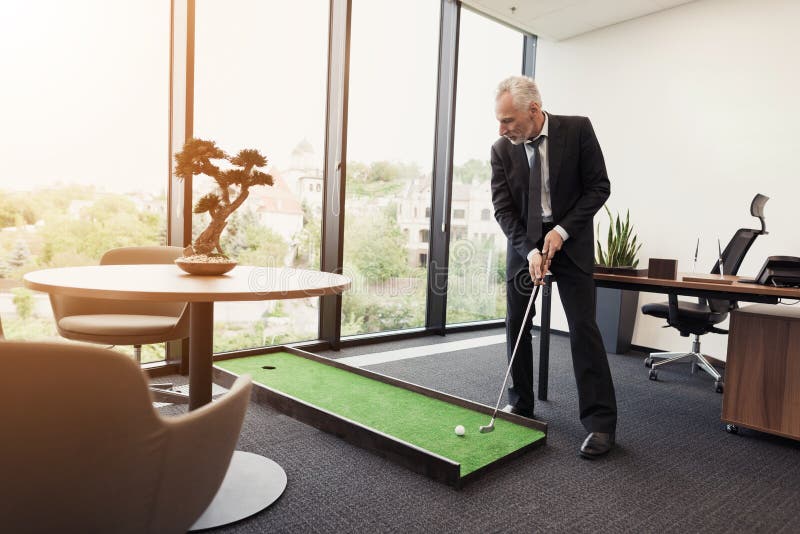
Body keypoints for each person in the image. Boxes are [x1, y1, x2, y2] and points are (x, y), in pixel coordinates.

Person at [490, 75, 617, 459]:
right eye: (499, 120)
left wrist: (561, 231)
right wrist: (529, 250)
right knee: (517, 322)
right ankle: (521, 403)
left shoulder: (577, 130)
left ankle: (600, 424)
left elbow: (599, 187)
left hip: (571, 238)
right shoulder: (501, 149)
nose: (502, 128)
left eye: (508, 120)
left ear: (533, 110)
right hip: (524, 243)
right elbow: (503, 208)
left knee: (583, 328)